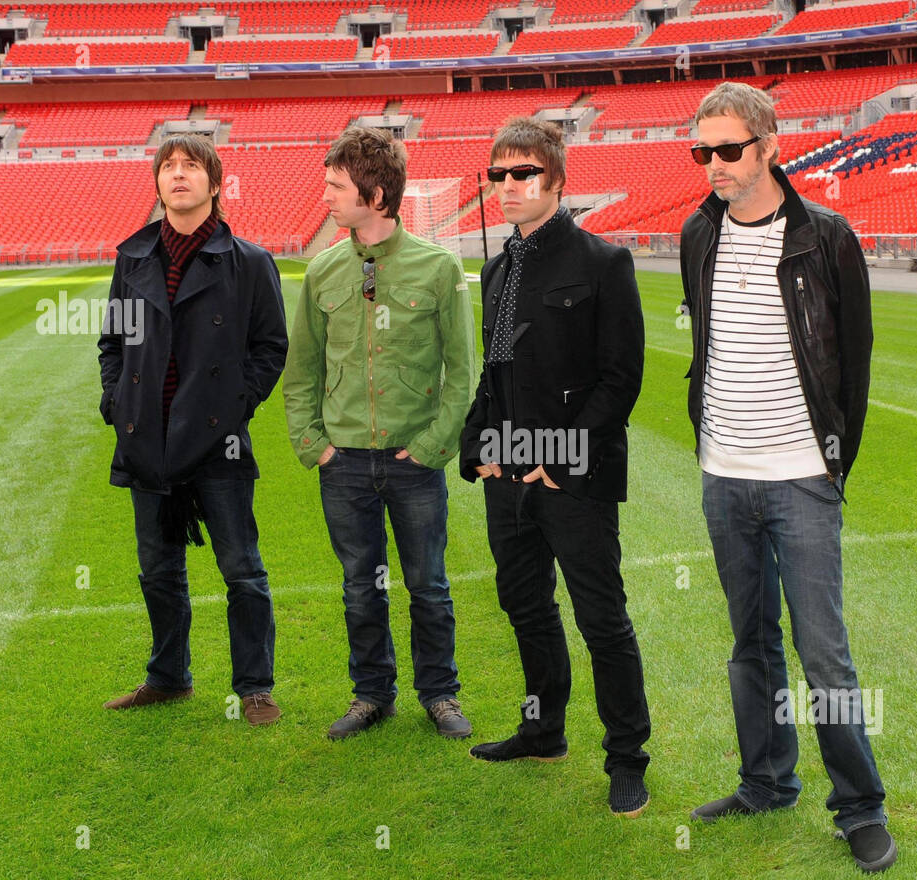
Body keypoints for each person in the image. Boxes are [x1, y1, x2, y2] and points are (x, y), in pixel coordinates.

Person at [679, 82, 895, 871]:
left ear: (770, 145)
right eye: (702, 151)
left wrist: (832, 466)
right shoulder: (696, 235)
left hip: (802, 476)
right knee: (748, 641)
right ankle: (765, 779)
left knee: (824, 649)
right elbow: (707, 347)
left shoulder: (827, 238)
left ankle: (860, 805)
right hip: (722, 473)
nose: (714, 166)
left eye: (729, 149)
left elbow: (854, 369)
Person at [460, 117, 652, 818]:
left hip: (574, 477)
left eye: (524, 174)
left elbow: (619, 381)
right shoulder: (497, 267)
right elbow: (496, 372)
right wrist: (476, 446)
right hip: (507, 476)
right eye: (499, 174)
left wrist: (558, 458)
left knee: (601, 618)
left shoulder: (604, 262)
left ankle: (628, 757)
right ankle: (544, 730)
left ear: (557, 181)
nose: (508, 186)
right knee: (525, 606)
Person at [283, 126, 475, 741]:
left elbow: (462, 373)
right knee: (359, 589)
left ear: (377, 193)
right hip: (343, 465)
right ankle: (371, 695)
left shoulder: (438, 266)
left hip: (413, 461)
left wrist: (431, 447)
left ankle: (439, 694)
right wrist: (315, 445)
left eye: (338, 186)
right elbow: (301, 371)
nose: (327, 197)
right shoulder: (322, 272)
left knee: (429, 586)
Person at [99, 133, 288, 726]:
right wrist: (115, 404)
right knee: (158, 569)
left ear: (215, 182)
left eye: (191, 166)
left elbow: (269, 347)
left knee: (242, 569)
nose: (178, 175)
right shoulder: (132, 259)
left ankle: (255, 686)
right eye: (168, 167)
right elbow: (113, 343)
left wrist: (233, 408)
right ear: (157, 182)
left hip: (217, 442)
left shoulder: (249, 261)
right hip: (147, 439)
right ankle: (168, 677)